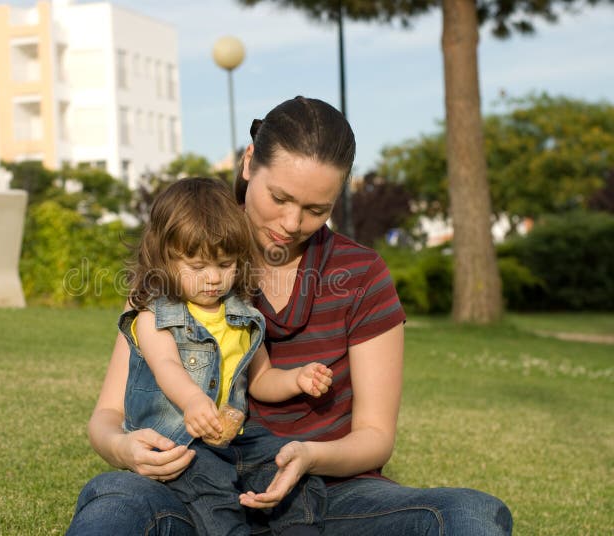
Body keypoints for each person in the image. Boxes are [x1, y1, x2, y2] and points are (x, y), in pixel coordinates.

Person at [65, 96, 513, 536]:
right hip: (188, 486)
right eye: (279, 197)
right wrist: (124, 449)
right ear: (248, 164)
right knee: (115, 504)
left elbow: (375, 436)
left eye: (316, 209)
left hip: (326, 497)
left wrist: (309, 457)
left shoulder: (362, 274)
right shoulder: (177, 262)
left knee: (471, 515)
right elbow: (107, 415)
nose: (292, 222)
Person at [118, 177, 333, 536]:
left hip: (233, 438)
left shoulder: (243, 315)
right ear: (164, 259)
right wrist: (191, 401)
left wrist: (297, 378)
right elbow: (166, 366)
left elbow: (261, 379)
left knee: (292, 472)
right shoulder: (154, 315)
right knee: (215, 496)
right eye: (198, 266)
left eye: (225, 264)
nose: (214, 278)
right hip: (177, 442)